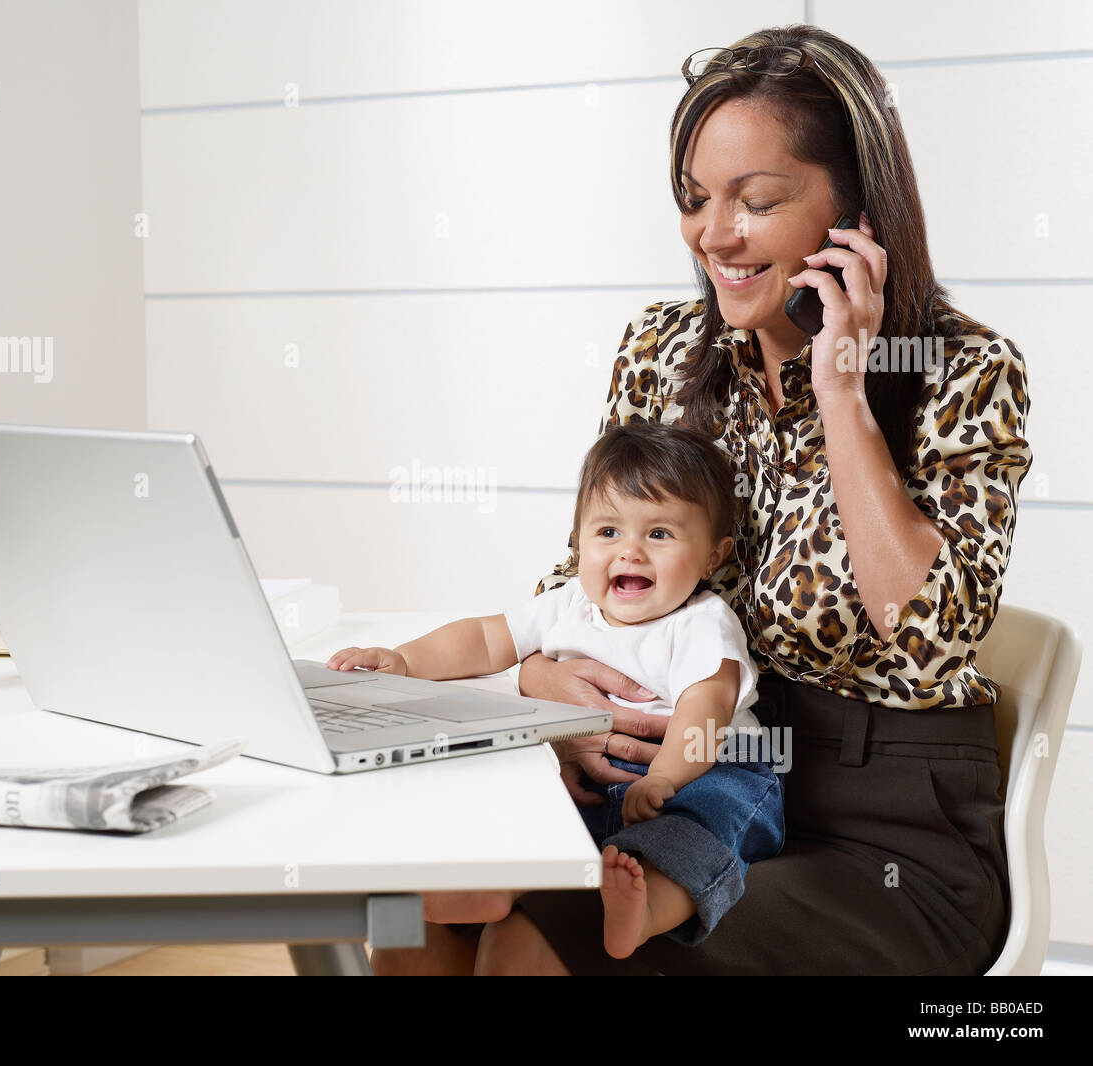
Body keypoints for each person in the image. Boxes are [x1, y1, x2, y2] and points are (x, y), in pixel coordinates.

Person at [374, 23, 1031, 976]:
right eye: (695, 199)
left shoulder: (961, 370)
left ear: (855, 209)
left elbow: (926, 630)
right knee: (428, 907)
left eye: (756, 201)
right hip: (674, 782)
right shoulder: (663, 349)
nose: (714, 234)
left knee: (533, 943)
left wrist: (843, 390)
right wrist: (540, 684)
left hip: (881, 834)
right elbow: (591, 574)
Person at [326, 422, 784, 958]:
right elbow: (483, 637)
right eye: (608, 532)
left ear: (713, 555)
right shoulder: (568, 606)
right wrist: (404, 660)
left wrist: (663, 777)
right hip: (589, 776)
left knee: (695, 834)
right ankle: (495, 882)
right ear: (578, 540)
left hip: (704, 772)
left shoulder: (703, 622)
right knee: (527, 811)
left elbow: (706, 708)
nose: (630, 552)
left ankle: (647, 910)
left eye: (659, 534)